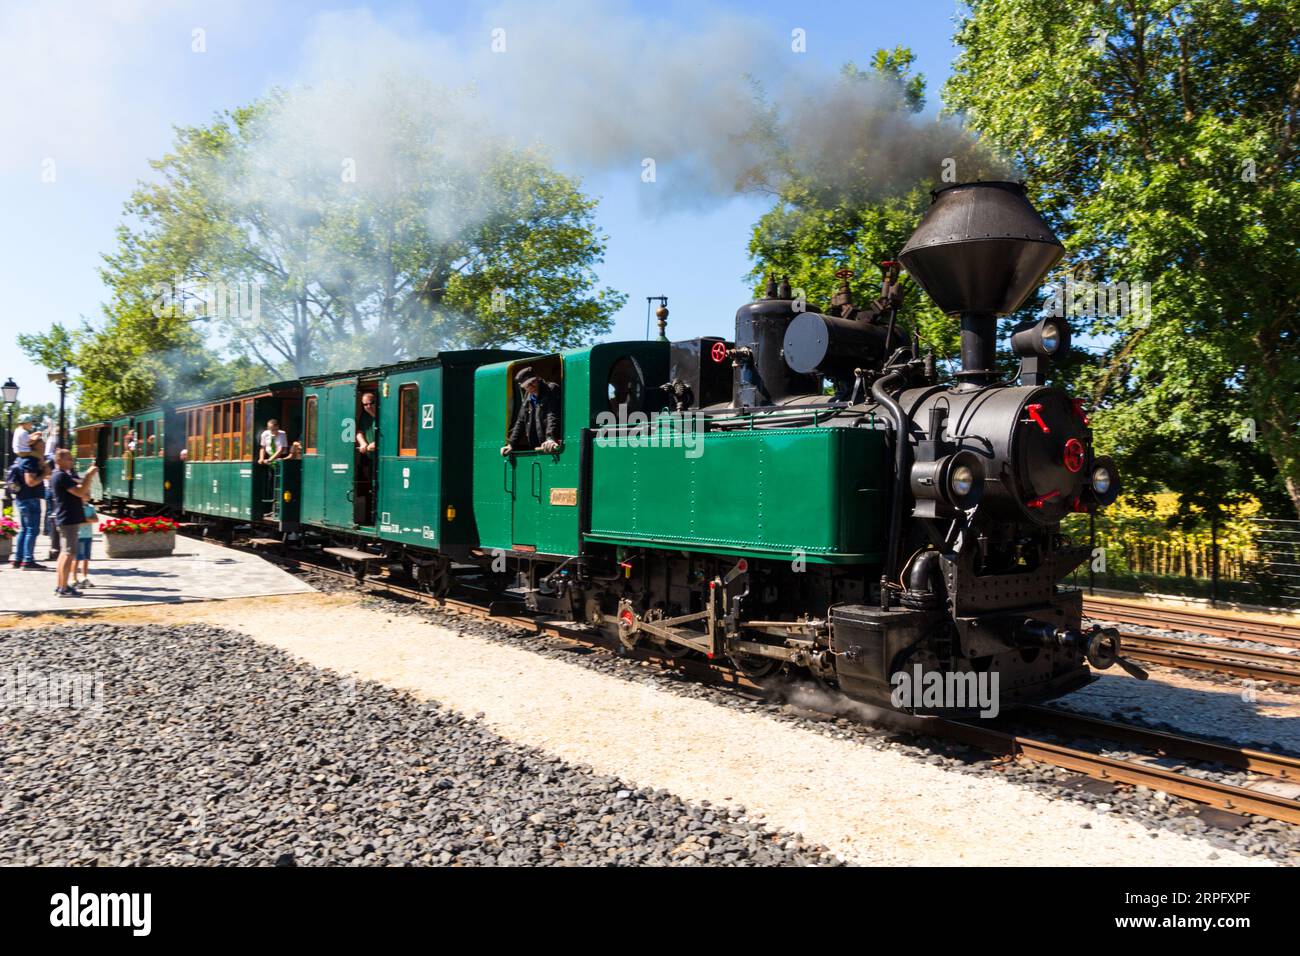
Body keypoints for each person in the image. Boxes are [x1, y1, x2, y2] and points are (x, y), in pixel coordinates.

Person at [49, 449, 97, 597]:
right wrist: (89, 476)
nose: (72, 461)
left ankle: (61, 586)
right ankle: (63, 589)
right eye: (68, 459)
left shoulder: (61, 475)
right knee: (69, 554)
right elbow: (81, 492)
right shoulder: (62, 476)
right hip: (68, 520)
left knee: (64, 554)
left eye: (71, 458)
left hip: (66, 519)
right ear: (59, 461)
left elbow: (80, 490)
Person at [7, 435, 48, 568]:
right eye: (42, 445)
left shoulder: (21, 459)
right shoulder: (30, 461)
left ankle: (18, 559)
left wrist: (42, 463)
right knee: (32, 530)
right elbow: (30, 482)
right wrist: (43, 475)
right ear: (35, 446)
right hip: (30, 498)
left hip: (21, 498)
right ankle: (28, 560)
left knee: (25, 530)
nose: (44, 448)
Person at [501, 367, 561, 455]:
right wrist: (511, 444)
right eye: (528, 384)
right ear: (523, 386)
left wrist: (550, 438)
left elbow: (552, 414)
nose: (532, 385)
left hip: (551, 444)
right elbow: (520, 421)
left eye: (533, 381)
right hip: (536, 445)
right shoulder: (527, 397)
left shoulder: (551, 388)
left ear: (537, 378)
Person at [74, 499, 97, 589]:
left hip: (88, 535)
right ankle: (74, 579)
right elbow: (77, 520)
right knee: (76, 559)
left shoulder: (90, 507)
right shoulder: (76, 507)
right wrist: (89, 519)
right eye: (86, 493)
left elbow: (96, 519)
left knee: (86, 558)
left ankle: (84, 577)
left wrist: (84, 519)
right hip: (78, 536)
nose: (88, 495)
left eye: (89, 493)